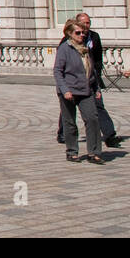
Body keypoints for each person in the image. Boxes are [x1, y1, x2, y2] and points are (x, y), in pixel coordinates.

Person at [54, 12, 121, 148]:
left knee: (97, 107)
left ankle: (109, 135)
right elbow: (59, 67)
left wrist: (95, 76)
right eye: (83, 23)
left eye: (88, 23)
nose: (86, 27)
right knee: (68, 111)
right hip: (72, 83)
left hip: (90, 79)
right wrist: (65, 88)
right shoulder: (66, 42)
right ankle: (63, 134)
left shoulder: (94, 37)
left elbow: (97, 58)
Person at [55, 18, 104, 163]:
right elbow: (58, 71)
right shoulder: (65, 48)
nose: (81, 35)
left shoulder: (85, 48)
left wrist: (96, 88)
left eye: (83, 32)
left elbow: (91, 70)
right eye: (78, 32)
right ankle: (72, 151)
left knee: (92, 119)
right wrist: (65, 90)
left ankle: (94, 152)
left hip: (86, 89)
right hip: (69, 90)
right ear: (69, 34)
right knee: (69, 121)